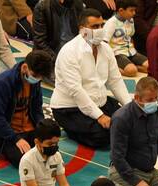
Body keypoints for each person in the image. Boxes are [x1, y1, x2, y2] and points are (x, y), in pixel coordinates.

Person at [49, 11, 127, 149]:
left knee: (127, 122)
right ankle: (72, 129)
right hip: (70, 108)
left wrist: (130, 107)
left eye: (101, 25)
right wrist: (100, 116)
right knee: (103, 137)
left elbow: (115, 81)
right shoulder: (70, 51)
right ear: (82, 29)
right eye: (94, 26)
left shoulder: (106, 49)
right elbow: (76, 91)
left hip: (99, 102)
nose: (100, 30)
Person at [108, 78, 158, 186]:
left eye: (156, 98)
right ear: (137, 98)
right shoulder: (122, 118)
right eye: (150, 100)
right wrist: (135, 181)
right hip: (125, 171)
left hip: (149, 170)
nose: (154, 103)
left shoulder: (157, 111)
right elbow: (117, 156)